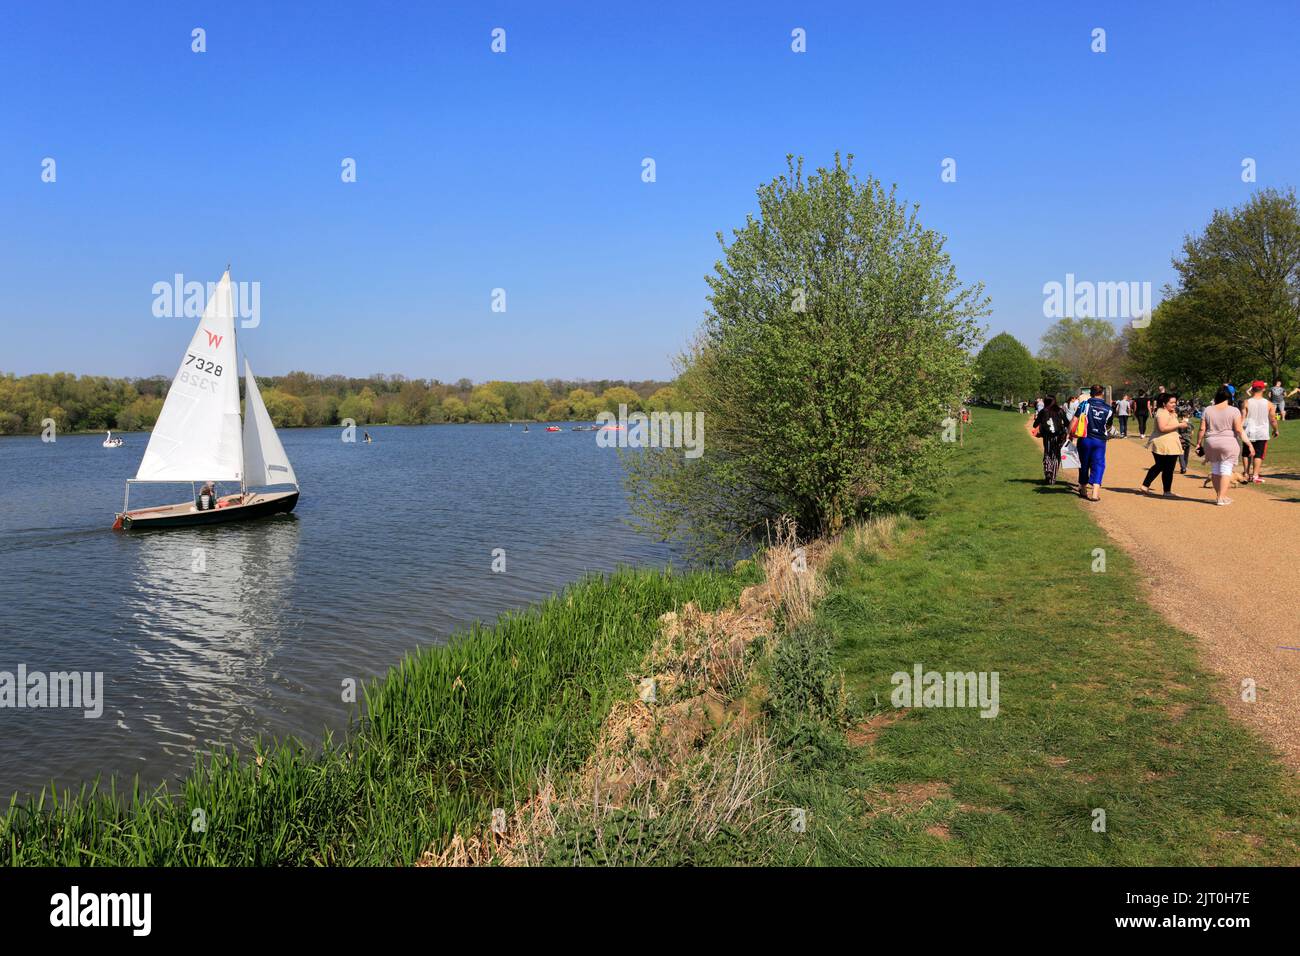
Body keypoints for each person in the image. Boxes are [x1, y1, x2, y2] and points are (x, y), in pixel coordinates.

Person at [1200, 388, 1253, 506]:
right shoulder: (1234, 410)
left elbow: (1202, 428)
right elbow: (1239, 430)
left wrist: (1199, 443)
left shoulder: (1208, 409)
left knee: (1215, 470)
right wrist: (1249, 444)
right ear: (1229, 398)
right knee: (1226, 470)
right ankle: (1221, 497)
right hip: (1228, 442)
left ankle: (1220, 495)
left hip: (1211, 442)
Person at [1070, 385, 1114, 501]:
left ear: (1091, 393)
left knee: (1084, 463)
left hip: (1085, 439)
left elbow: (1074, 420)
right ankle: (1095, 493)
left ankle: (1083, 489)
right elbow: (1108, 426)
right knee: (1099, 464)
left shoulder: (1084, 404)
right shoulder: (1109, 408)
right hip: (1100, 440)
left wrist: (1069, 434)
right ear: (1102, 393)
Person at [1140, 394, 1188, 497]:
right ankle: (1165, 491)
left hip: (1170, 443)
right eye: (1171, 403)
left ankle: (1149, 486)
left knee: (1162, 467)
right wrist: (1180, 425)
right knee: (1164, 467)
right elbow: (1162, 428)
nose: (1174, 404)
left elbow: (1170, 427)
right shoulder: (1162, 413)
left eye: (1175, 402)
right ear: (1164, 403)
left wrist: (1178, 433)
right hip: (1163, 444)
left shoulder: (1170, 413)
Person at [1242, 382, 1278, 484]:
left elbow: (1242, 418)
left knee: (1246, 453)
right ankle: (1255, 475)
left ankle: (1245, 473)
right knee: (1258, 454)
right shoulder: (1269, 404)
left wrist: (1239, 430)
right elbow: (1273, 420)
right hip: (1261, 432)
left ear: (1252, 389)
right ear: (1263, 390)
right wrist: (1276, 430)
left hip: (1248, 431)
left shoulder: (1246, 402)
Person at [1033, 397, 1069, 485]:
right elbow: (1067, 423)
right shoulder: (1060, 411)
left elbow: (1035, 424)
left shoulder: (1043, 411)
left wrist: (1039, 421)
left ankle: (1048, 469)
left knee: (1047, 453)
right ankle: (1052, 479)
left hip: (1047, 436)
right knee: (1056, 456)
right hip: (1059, 436)